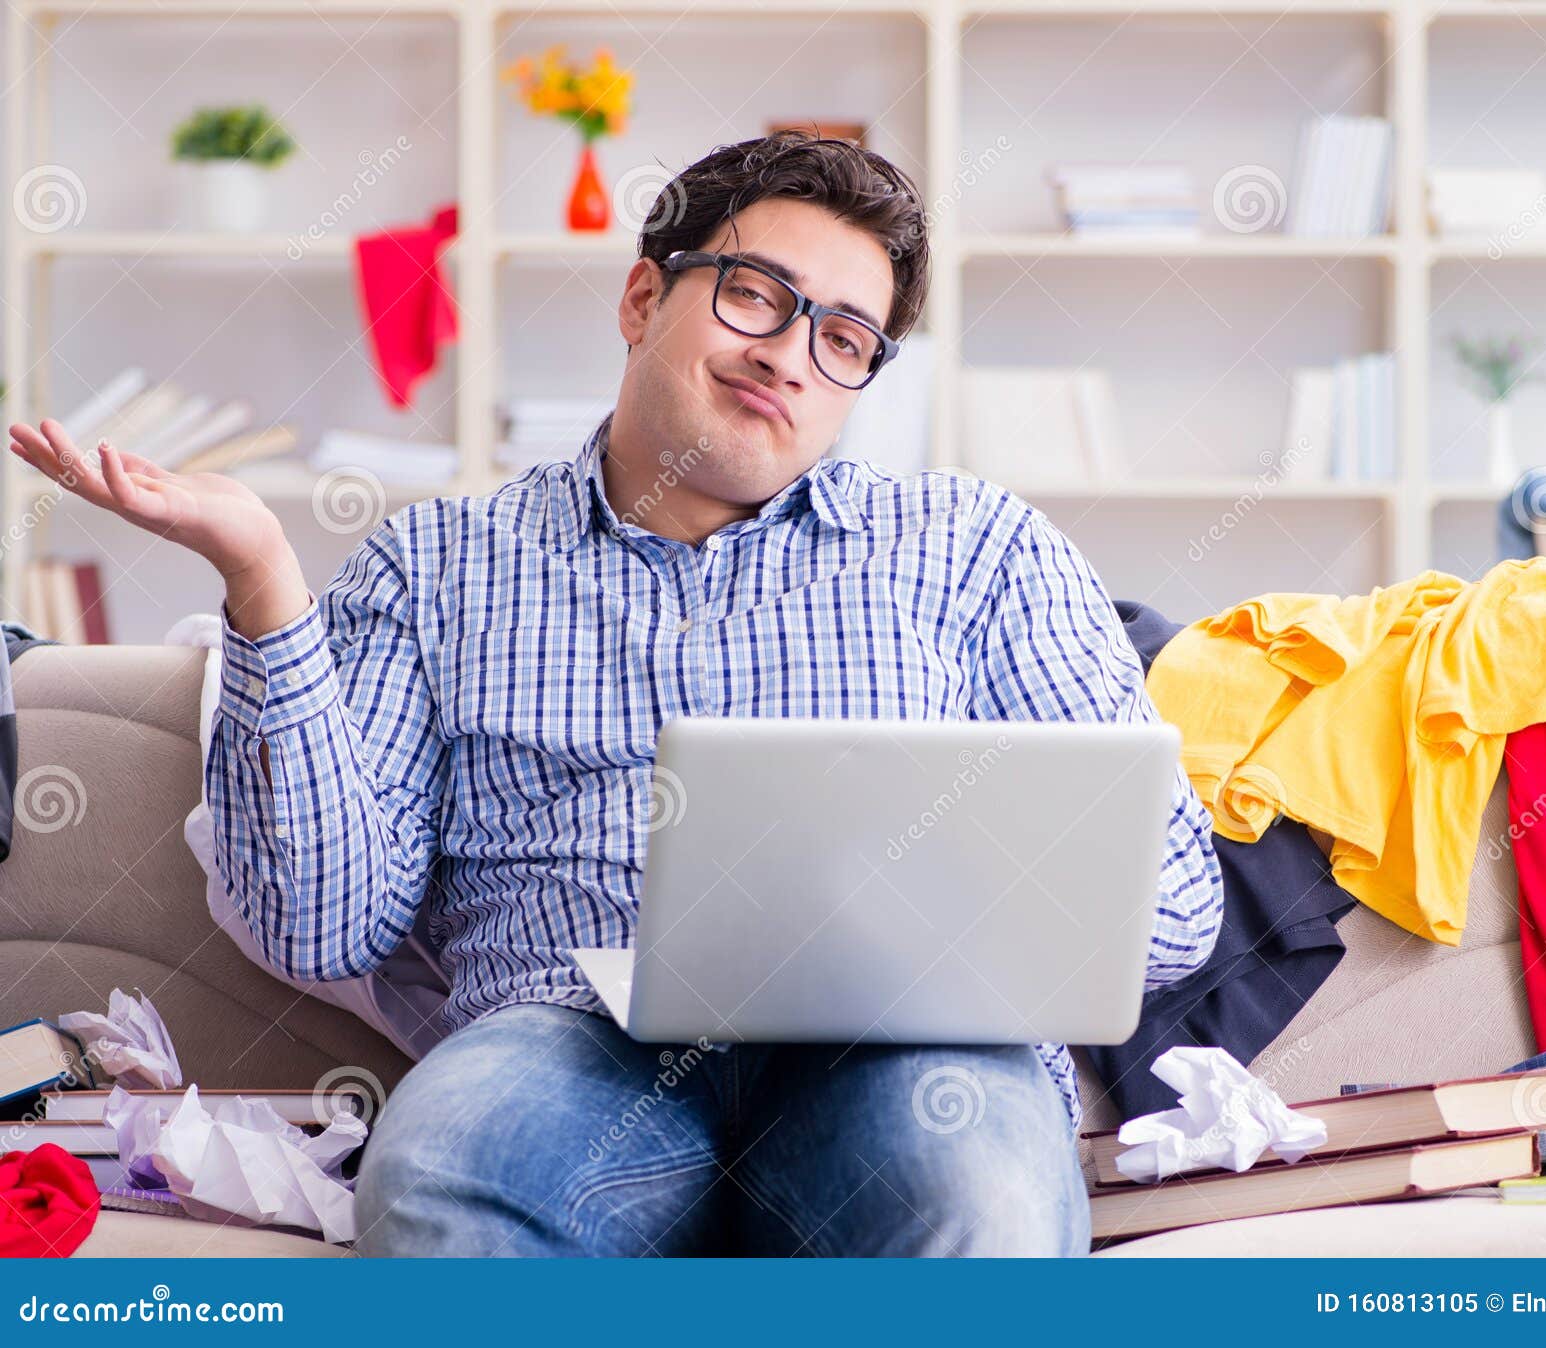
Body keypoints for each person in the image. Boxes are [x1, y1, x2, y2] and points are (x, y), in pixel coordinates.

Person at [7, 131, 1222, 1257]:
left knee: (977, 1186)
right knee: (440, 1167)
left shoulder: (980, 548)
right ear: (645, 297)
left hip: (913, 1049)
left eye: (843, 339)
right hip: (571, 1047)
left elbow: (1171, 907)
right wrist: (264, 582)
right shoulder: (437, 563)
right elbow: (318, 928)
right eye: (756, 294)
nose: (787, 356)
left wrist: (945, 908)